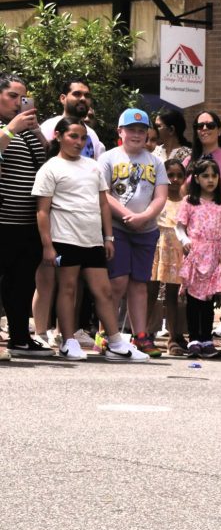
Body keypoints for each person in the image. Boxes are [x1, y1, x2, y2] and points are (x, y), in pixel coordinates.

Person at [32, 117, 149, 361]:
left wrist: (108, 237)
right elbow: (42, 210)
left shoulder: (92, 166)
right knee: (68, 289)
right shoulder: (50, 168)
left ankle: (116, 343)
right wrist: (47, 245)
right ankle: (68, 341)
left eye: (82, 137)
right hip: (64, 238)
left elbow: (103, 204)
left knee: (103, 290)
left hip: (93, 239)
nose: (78, 142)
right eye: (73, 136)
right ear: (59, 136)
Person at [99, 109, 168, 357]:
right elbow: (103, 193)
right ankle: (107, 334)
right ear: (120, 131)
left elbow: (161, 196)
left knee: (139, 283)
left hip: (146, 230)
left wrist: (144, 217)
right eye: (131, 130)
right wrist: (126, 216)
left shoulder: (155, 162)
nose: (136, 135)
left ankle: (140, 336)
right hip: (117, 228)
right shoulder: (108, 158)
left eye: (142, 130)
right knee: (117, 282)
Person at [0, 71, 54, 358]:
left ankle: (20, 338)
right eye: (12, 96)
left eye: (23, 98)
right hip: (2, 220)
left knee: (21, 283)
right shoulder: (7, 128)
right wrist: (12, 127)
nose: (18, 102)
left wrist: (32, 130)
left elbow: (45, 162)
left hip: (28, 222)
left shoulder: (29, 132)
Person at [190, 110, 221, 355]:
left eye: (210, 125)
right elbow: (184, 195)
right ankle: (196, 338)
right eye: (199, 126)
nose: (204, 129)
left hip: (219, 233)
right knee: (192, 288)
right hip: (194, 234)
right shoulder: (192, 159)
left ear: (220, 129)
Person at [175, 156, 221, 358]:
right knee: (193, 299)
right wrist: (184, 241)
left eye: (214, 175)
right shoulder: (188, 202)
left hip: (214, 255)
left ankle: (207, 339)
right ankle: (194, 339)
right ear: (197, 179)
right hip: (195, 254)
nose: (210, 180)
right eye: (205, 176)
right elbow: (179, 227)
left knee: (209, 300)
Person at [151, 157, 188, 355]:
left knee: (173, 296)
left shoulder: (187, 202)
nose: (174, 179)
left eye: (179, 176)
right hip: (157, 246)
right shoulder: (157, 198)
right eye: (170, 175)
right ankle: (144, 334)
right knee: (150, 291)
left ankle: (174, 337)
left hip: (177, 250)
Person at [40, 77, 102, 160]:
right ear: (63, 98)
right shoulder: (48, 127)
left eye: (87, 96)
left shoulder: (92, 135)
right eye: (77, 94)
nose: (83, 99)